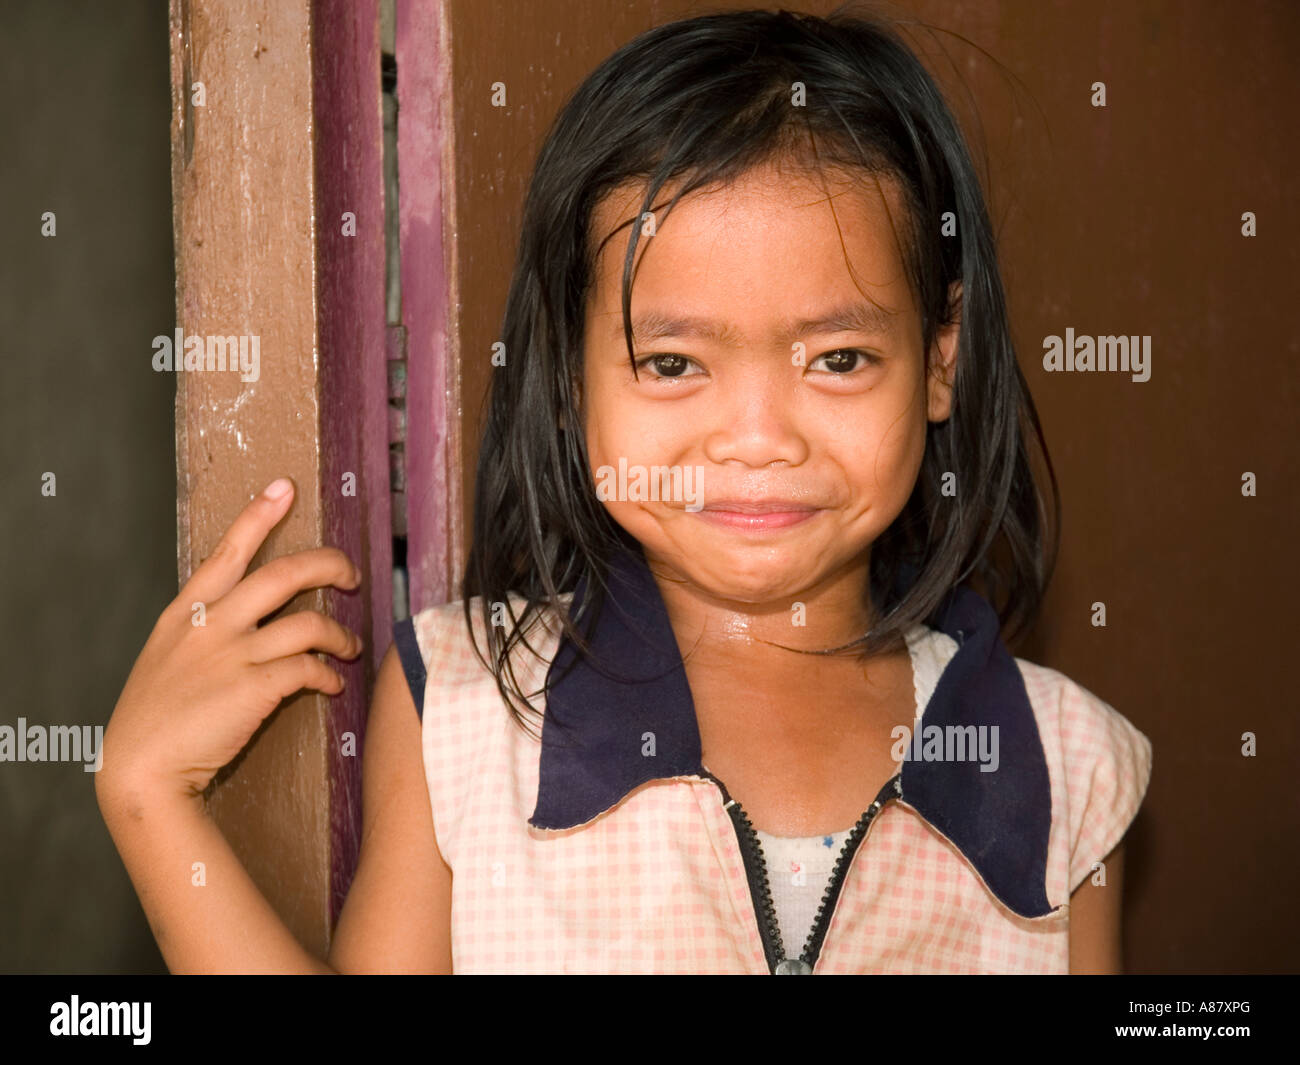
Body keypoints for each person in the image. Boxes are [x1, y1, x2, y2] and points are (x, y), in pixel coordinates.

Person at [96, 6, 1152, 974]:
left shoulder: (1065, 765)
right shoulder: (465, 711)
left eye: (836, 359)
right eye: (671, 363)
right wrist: (149, 798)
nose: (755, 440)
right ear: (567, 381)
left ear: (938, 363)